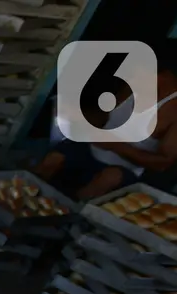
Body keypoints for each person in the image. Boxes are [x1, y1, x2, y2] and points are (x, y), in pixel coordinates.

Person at [34, 44, 177, 200]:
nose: (128, 79)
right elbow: (104, 118)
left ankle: (70, 214)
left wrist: (116, 145)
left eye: (134, 74)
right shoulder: (133, 86)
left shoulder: (173, 111)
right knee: (54, 158)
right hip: (92, 149)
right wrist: (78, 116)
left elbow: (163, 163)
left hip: (123, 168)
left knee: (108, 178)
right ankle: (27, 197)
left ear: (161, 76)